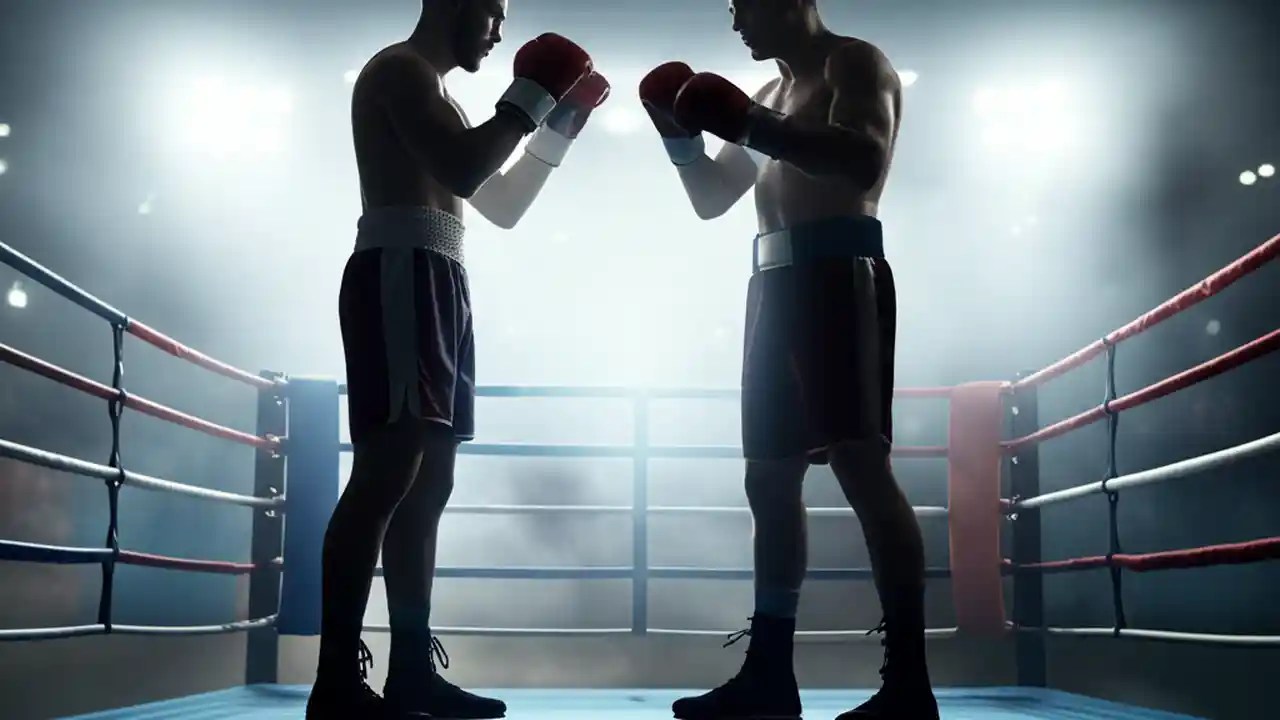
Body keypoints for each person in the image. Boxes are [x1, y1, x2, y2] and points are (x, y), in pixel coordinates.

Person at [306, 0, 610, 717]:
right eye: (493, 12)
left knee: (428, 479)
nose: (499, 30)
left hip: (440, 272)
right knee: (387, 472)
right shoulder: (398, 71)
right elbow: (467, 168)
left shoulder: (438, 91)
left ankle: (411, 666)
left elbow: (498, 204)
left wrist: (557, 127)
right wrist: (532, 95)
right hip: (399, 269)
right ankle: (336, 681)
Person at [639, 1, 938, 718]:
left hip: (840, 268)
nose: (737, 22)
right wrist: (679, 136)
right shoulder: (768, 94)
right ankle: (769, 675)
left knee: (861, 466)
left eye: (746, 5)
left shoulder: (853, 62)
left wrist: (750, 125)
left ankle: (908, 685)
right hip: (772, 282)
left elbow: (862, 160)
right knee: (767, 481)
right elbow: (714, 199)